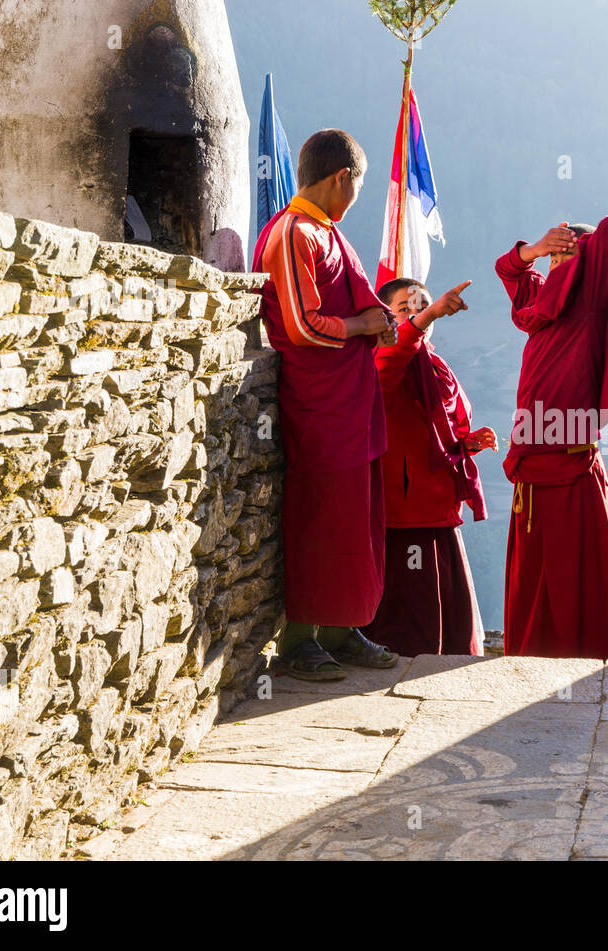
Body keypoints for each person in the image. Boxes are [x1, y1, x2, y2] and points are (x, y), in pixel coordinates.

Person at [251, 128, 401, 680]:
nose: (356, 195)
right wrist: (362, 324)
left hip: (350, 404)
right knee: (319, 521)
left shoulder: (327, 232)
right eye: (358, 183)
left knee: (352, 523)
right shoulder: (295, 233)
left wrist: (377, 326)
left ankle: (340, 629)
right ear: (343, 177)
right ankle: (298, 641)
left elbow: (359, 305)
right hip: (319, 408)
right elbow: (302, 325)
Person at [494, 218, 608, 661]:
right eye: (554, 257)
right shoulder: (540, 298)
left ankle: (585, 657)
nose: (559, 263)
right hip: (532, 457)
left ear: (589, 261)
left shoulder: (592, 298)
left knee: (576, 570)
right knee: (533, 571)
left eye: (569, 256)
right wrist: (538, 247)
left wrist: (582, 246)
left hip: (572, 454)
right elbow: (508, 270)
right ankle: (528, 655)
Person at [363, 276, 497, 656]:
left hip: (437, 500)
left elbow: (436, 426)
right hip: (405, 506)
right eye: (404, 309)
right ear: (385, 317)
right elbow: (391, 361)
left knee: (444, 600)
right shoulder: (384, 356)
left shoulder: (433, 361)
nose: (416, 313)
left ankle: (442, 661)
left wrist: (468, 443)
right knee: (413, 603)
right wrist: (429, 314)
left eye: (421, 304)